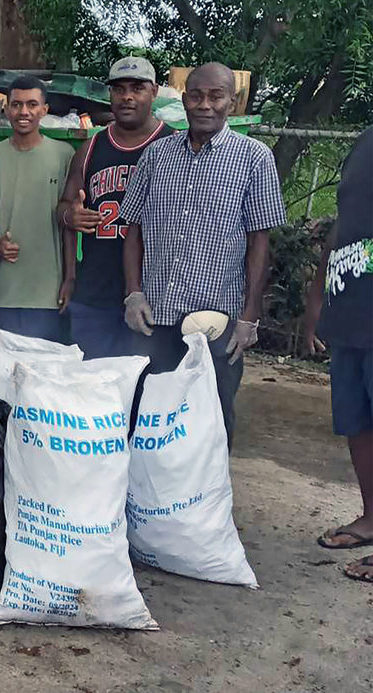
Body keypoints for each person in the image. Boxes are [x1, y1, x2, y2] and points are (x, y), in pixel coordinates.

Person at [121, 62, 286, 448]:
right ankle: (147, 506)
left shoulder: (254, 158)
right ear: (184, 100)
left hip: (218, 322)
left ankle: (207, 506)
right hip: (155, 316)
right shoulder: (157, 155)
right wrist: (133, 293)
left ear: (233, 101)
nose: (205, 105)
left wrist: (249, 317)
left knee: (211, 419)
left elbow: (260, 242)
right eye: (196, 95)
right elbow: (133, 229)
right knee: (147, 416)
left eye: (216, 96)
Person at [57, 57, 174, 358]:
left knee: (146, 388)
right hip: (96, 287)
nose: (128, 97)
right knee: (93, 386)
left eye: (138, 88)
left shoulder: (174, 145)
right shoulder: (91, 148)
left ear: (154, 91)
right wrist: (72, 216)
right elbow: (64, 210)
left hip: (154, 291)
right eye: (119, 89)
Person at [303, 126, 373, 583]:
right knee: (357, 421)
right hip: (350, 306)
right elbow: (345, 223)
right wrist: (316, 296)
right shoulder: (366, 141)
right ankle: (371, 517)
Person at [0, 74, 73, 341]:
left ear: (44, 110)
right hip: (0, 293)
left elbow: (70, 226)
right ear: (6, 109)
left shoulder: (64, 154)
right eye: (16, 104)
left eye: (32, 104)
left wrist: (70, 279)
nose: (24, 112)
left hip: (48, 293)